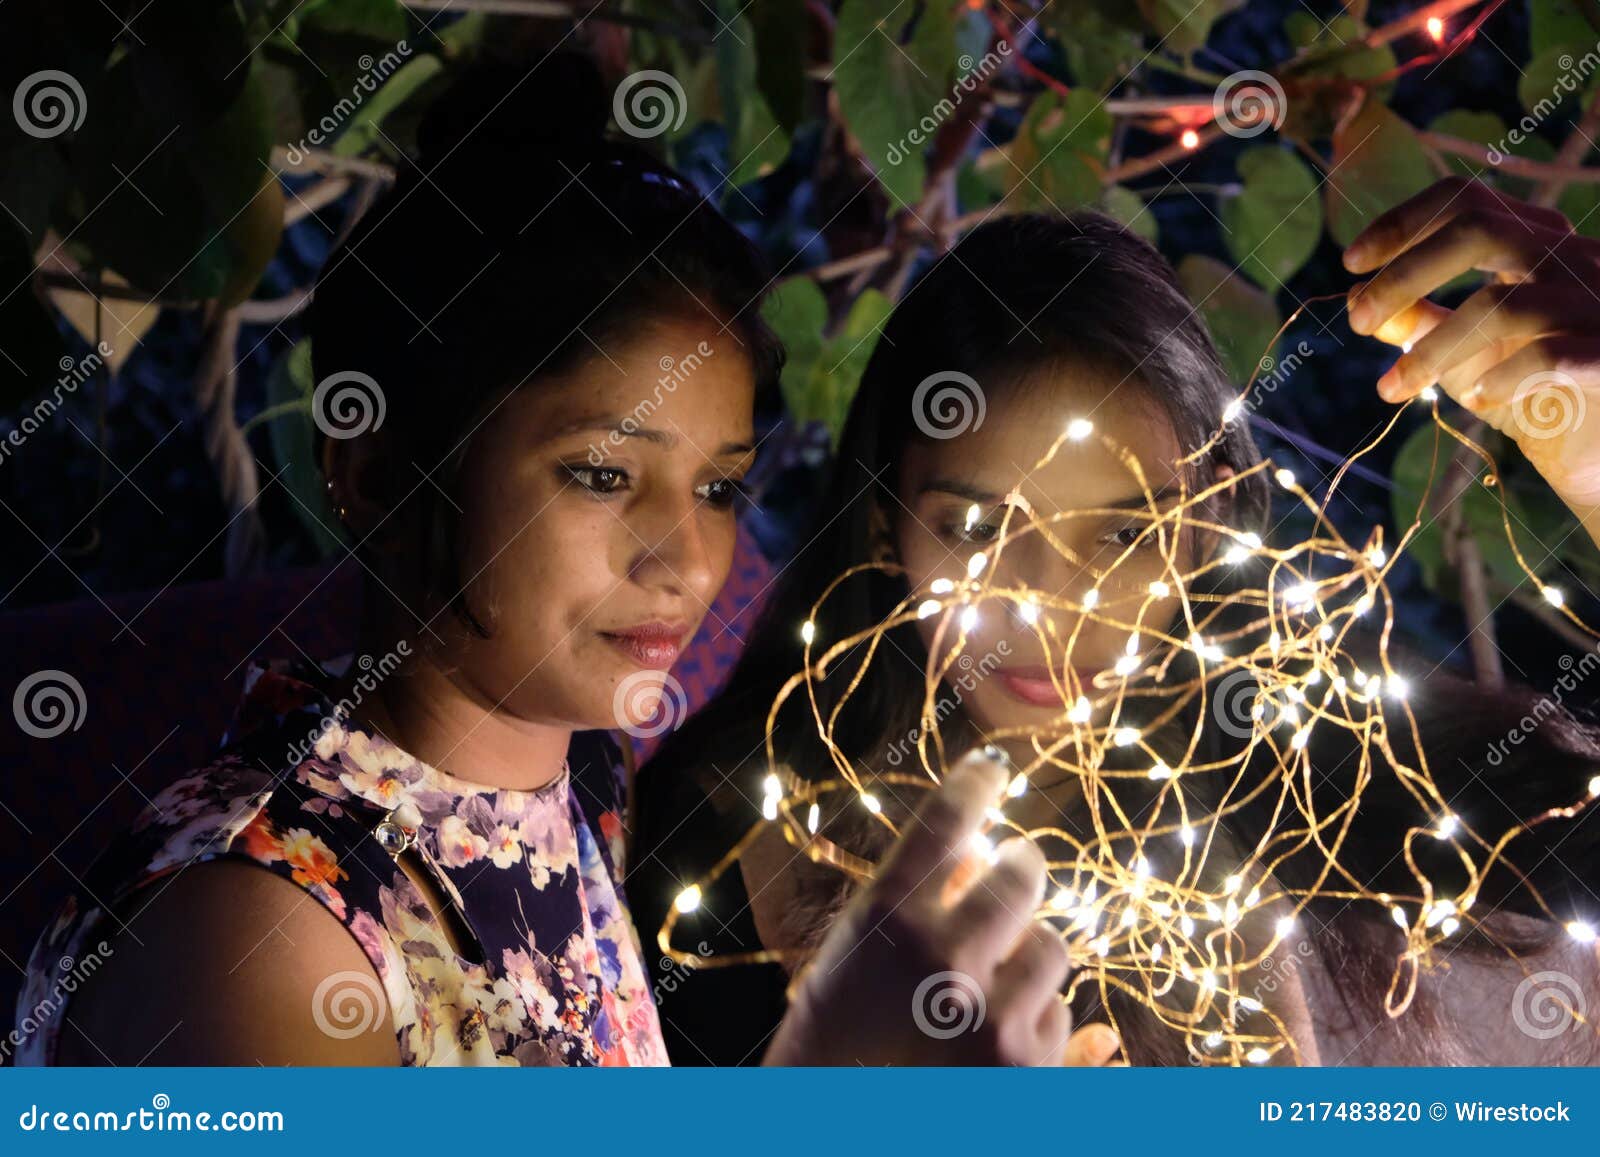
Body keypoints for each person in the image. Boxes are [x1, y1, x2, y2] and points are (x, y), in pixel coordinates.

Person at [11, 56, 1119, 1069]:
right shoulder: (257, 942)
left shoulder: (587, 777)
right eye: (599, 473)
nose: (684, 560)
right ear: (380, 470)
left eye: (720, 488)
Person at [635, 179, 1600, 1066]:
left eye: (1126, 535)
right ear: (886, 524)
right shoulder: (709, 837)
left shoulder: (1399, 801)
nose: (1047, 613)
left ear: (1207, 526)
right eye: (978, 526)